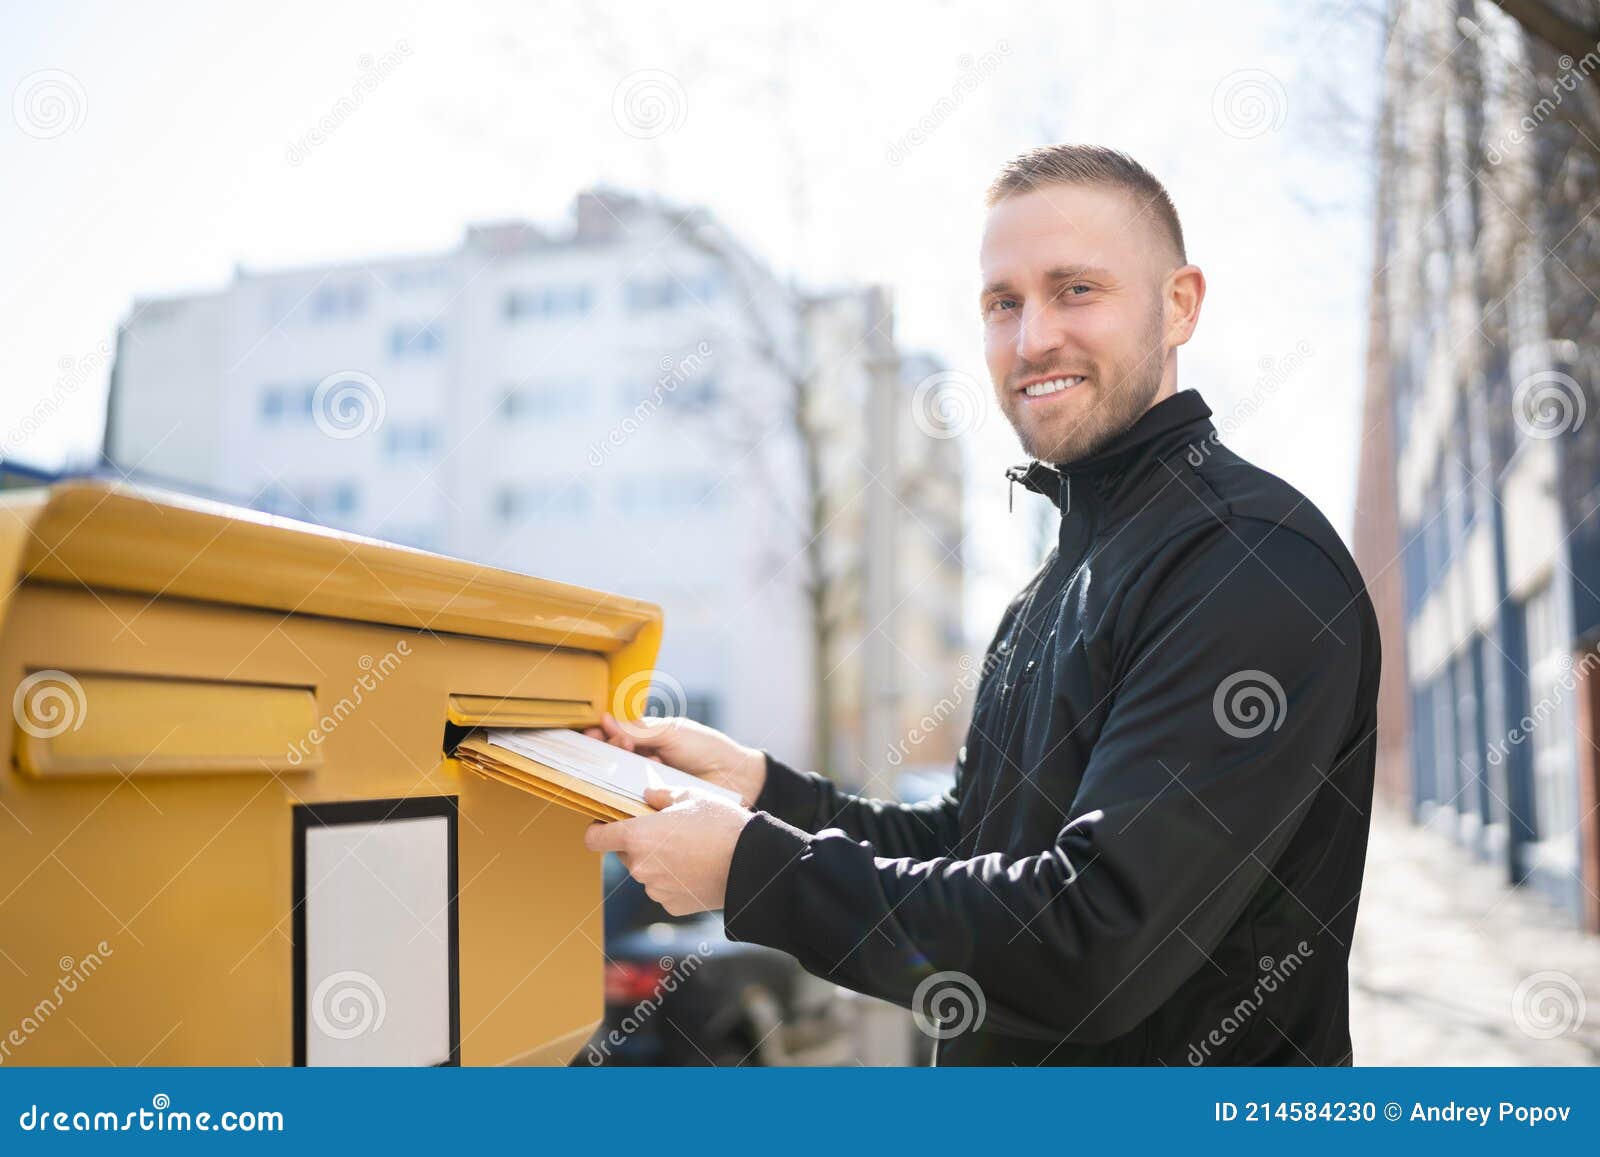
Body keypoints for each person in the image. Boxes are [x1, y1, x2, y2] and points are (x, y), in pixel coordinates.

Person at [583, 144, 1381, 1066]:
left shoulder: (1246, 559)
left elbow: (1093, 940)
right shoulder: (1053, 586)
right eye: (1004, 302)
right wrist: (764, 791)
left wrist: (751, 868)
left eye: (1076, 288)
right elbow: (968, 842)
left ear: (1179, 304)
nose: (1032, 337)